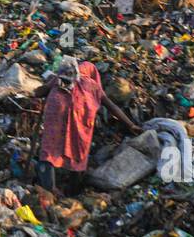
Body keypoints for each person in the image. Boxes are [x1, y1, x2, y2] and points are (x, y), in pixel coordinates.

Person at [34, 57, 139, 195]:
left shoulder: (60, 79)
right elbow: (112, 106)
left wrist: (39, 90)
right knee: (78, 153)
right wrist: (130, 125)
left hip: (56, 118)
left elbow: (40, 92)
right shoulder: (93, 85)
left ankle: (51, 188)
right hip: (80, 126)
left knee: (50, 149)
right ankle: (73, 192)